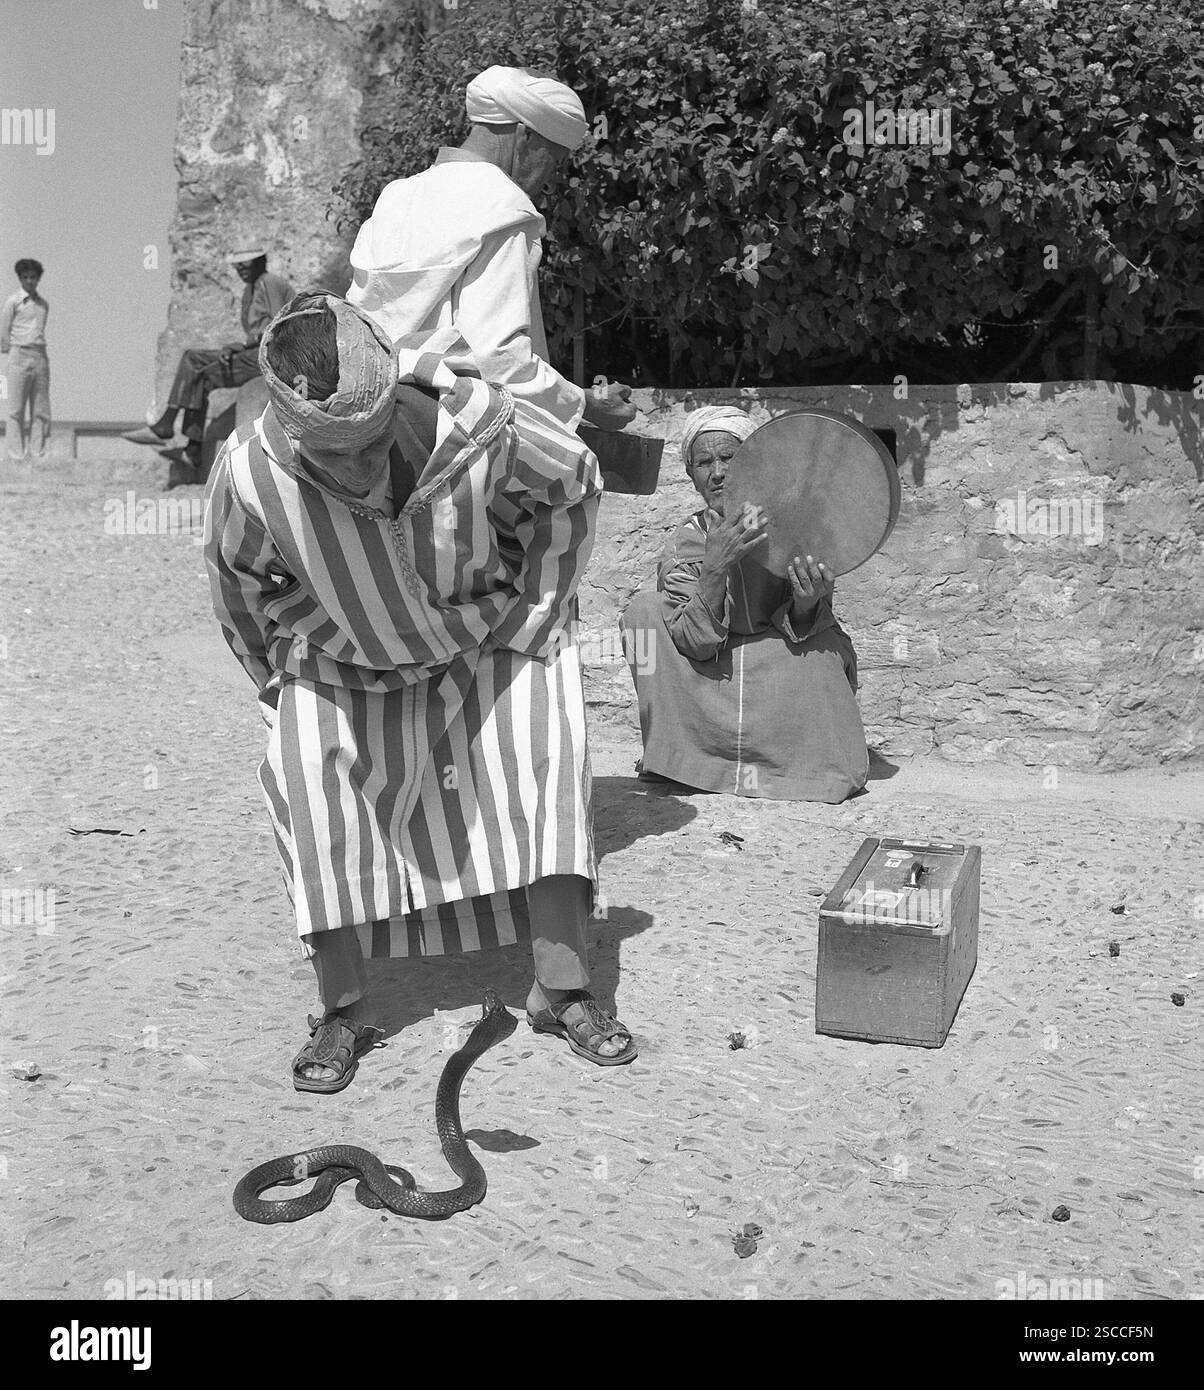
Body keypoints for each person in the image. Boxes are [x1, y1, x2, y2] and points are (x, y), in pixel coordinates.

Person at [204, 292, 637, 1094]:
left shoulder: (481, 425)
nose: (362, 472)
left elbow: (573, 486)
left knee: (552, 745)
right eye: (338, 460)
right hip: (342, 655)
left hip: (483, 636)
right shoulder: (250, 474)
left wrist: (533, 617)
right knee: (303, 771)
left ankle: (562, 989)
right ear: (294, 429)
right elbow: (240, 587)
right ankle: (343, 1008)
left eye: (371, 447)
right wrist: (278, 679)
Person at [346, 64, 634, 437]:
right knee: (581, 481)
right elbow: (498, 359)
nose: (551, 180)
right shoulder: (504, 208)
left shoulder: (395, 195)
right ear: (524, 136)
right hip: (450, 428)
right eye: (555, 160)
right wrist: (583, 403)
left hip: (368, 409)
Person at [621, 406, 869, 802]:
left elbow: (810, 624)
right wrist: (715, 568)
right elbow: (694, 642)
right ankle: (676, 757)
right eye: (703, 462)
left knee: (830, 646)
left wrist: (807, 602)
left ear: (754, 462)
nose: (717, 472)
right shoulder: (684, 542)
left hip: (777, 667)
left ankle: (804, 768)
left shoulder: (797, 529)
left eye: (728, 457)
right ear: (691, 475)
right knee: (643, 615)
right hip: (708, 674)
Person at [125, 247, 292, 478]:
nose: (240, 270)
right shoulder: (250, 290)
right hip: (255, 353)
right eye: (237, 266)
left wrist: (243, 345)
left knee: (193, 360)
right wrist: (241, 346)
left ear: (258, 263)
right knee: (198, 373)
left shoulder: (270, 282)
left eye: (245, 264)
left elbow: (279, 325)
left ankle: (166, 425)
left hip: (273, 355)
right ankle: (192, 449)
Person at [2, 258, 51, 460]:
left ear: (38, 279)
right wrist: (10, 351)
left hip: (39, 355)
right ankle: (16, 456)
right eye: (25, 277)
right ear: (20, 278)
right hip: (18, 353)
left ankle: (37, 453)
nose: (29, 281)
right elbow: (4, 330)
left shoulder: (43, 305)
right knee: (16, 410)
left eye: (33, 277)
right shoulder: (12, 301)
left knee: (41, 410)